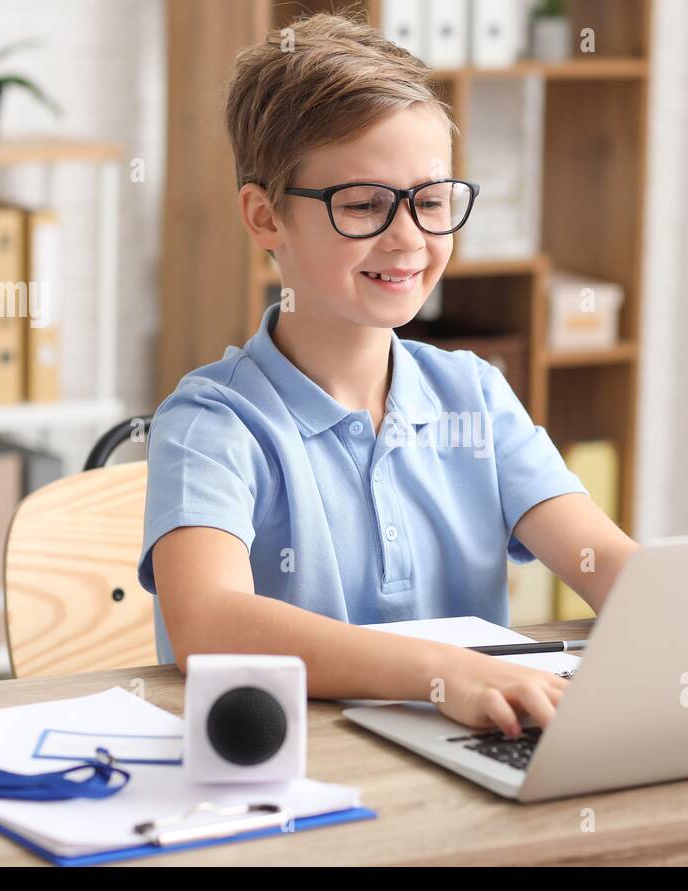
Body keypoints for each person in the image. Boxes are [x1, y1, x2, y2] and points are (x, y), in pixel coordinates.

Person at [139, 12, 637, 737]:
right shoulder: (212, 424)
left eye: (431, 202)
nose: (408, 238)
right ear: (266, 217)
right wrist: (445, 673)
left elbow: (606, 562)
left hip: (469, 760)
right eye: (364, 205)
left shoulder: (474, 395)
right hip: (300, 772)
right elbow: (209, 623)